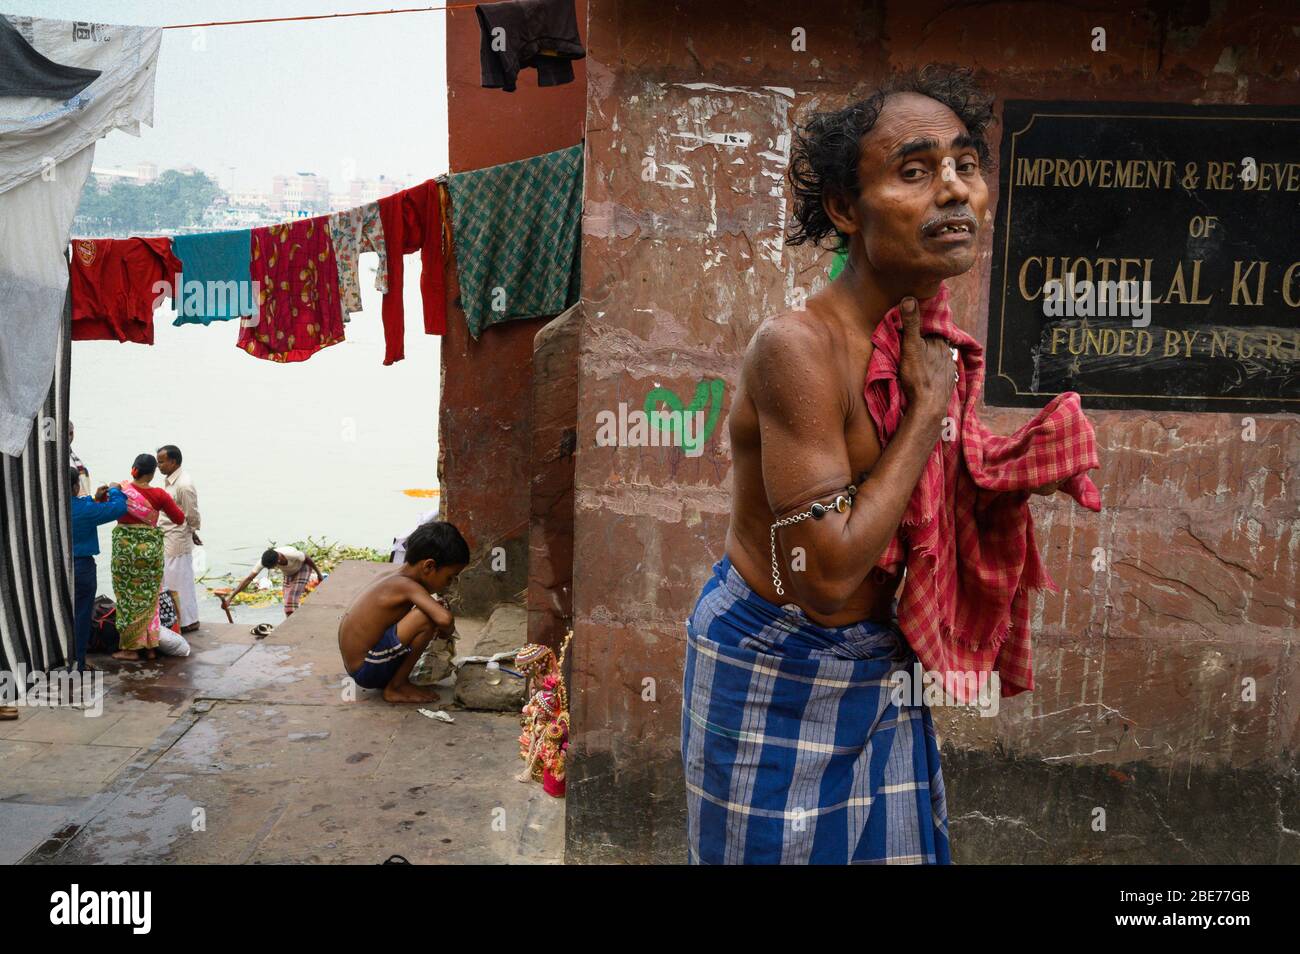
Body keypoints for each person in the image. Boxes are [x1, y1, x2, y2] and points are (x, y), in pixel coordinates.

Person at [680, 66, 1088, 865]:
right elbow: (822, 576)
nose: (954, 190)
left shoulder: (920, 335)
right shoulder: (798, 350)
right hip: (778, 662)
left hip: (877, 664)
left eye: (966, 165)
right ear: (843, 207)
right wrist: (929, 412)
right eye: (915, 170)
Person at [337, 521, 467, 704]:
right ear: (429, 566)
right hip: (367, 669)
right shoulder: (405, 585)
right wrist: (445, 633)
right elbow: (445, 620)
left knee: (429, 610)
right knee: (426, 617)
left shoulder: (393, 577)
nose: (449, 584)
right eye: (449, 577)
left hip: (361, 665)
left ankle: (395, 681)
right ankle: (396, 686)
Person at [110, 453, 188, 661]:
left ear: (133, 469)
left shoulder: (121, 491)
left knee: (128, 600)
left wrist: (111, 489)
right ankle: (151, 647)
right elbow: (179, 519)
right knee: (150, 598)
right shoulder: (160, 495)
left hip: (125, 553)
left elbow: (104, 506)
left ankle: (131, 649)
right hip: (150, 553)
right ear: (153, 473)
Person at [70, 467, 128, 671]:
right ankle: (78, 663)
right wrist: (114, 490)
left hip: (54, 567)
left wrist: (95, 498)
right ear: (77, 486)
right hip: (81, 567)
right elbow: (119, 508)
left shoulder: (48, 508)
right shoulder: (84, 510)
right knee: (82, 614)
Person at [156, 444, 202, 634]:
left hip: (177, 538)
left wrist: (191, 531)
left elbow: (192, 514)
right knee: (175, 581)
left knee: (180, 582)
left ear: (173, 462)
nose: (159, 466)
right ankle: (184, 620)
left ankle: (188, 622)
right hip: (169, 536)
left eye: (162, 461)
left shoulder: (184, 484)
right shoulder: (170, 481)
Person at [222, 545, 322, 618]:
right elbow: (248, 579)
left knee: (290, 604)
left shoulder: (292, 554)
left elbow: (308, 559)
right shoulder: (263, 561)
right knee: (288, 603)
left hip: (302, 569)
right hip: (289, 573)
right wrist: (230, 598)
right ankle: (294, 623)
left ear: (278, 560)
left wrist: (319, 574)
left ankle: (293, 626)